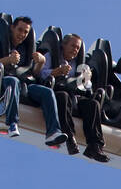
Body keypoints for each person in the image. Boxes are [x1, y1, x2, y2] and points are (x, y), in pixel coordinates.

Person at [0, 16, 66, 146]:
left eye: (25, 32)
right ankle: (12, 123)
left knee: (47, 92)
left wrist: (40, 62)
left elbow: (33, 74)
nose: (22, 34)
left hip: (22, 85)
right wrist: (7, 60)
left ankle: (53, 132)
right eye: (19, 30)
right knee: (13, 81)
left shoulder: (26, 49)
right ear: (12, 28)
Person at [38, 33, 108, 162]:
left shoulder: (79, 65)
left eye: (77, 48)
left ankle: (95, 146)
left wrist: (87, 78)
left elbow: (87, 87)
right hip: (57, 91)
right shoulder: (51, 57)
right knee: (63, 97)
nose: (75, 50)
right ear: (63, 45)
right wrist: (57, 71)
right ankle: (69, 138)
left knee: (93, 104)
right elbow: (41, 73)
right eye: (73, 46)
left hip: (74, 95)